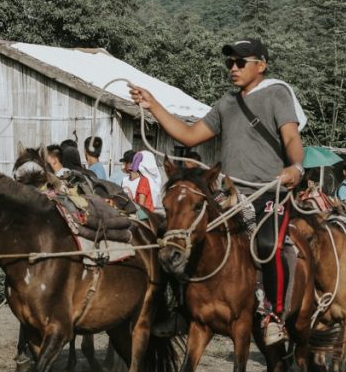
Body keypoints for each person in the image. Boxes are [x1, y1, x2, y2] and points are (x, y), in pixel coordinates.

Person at [127, 37, 305, 345]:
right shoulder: (226, 104)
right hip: (229, 194)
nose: (232, 68)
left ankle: (274, 317)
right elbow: (190, 135)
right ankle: (183, 309)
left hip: (268, 191)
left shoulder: (277, 94)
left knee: (267, 243)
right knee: (176, 235)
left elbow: (290, 138)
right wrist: (153, 104)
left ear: (260, 66)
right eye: (229, 63)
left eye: (240, 62)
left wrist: (296, 167)